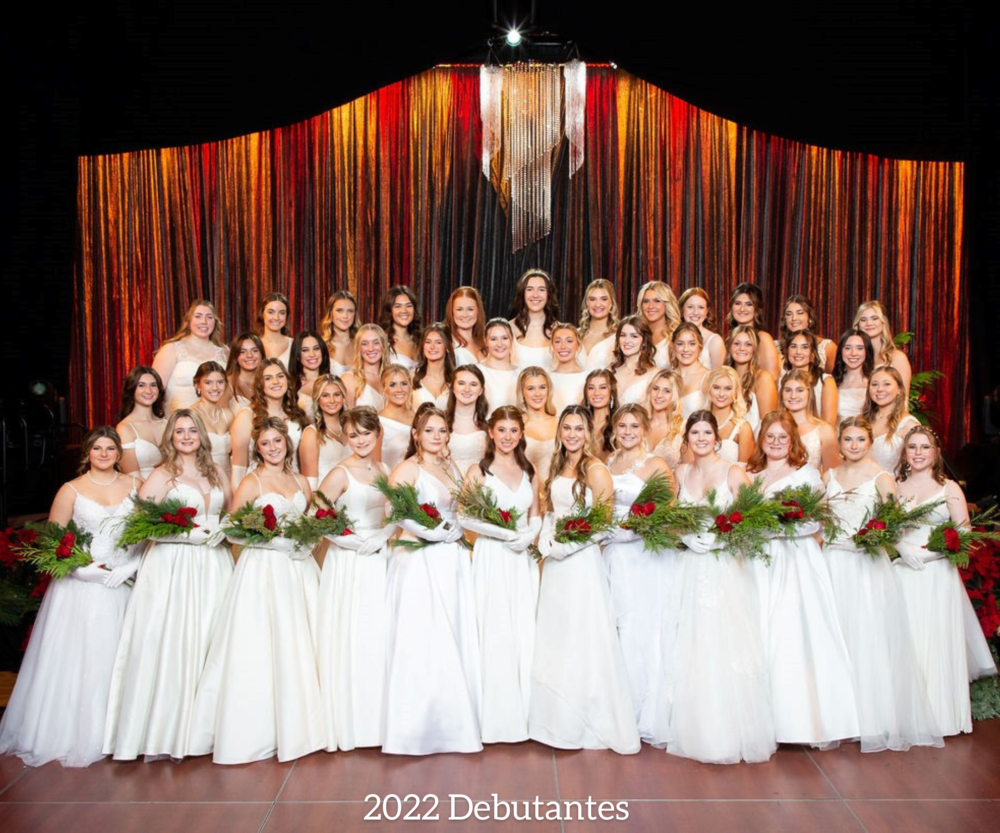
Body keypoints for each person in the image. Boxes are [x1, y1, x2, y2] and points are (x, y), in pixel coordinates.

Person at [0, 428, 140, 767]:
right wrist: (80, 570)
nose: (104, 453)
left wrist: (134, 564)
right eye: (97, 448)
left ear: (119, 453)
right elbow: (52, 542)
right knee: (87, 657)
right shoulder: (71, 490)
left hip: (125, 580)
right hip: (84, 585)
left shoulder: (135, 485)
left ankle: (127, 732)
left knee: (127, 655)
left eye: (110, 448)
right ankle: (86, 732)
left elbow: (145, 533)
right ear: (87, 452)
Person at [189, 418, 324, 764]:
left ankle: (304, 723)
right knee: (262, 643)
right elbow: (232, 529)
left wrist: (306, 542)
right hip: (264, 570)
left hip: (299, 568)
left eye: (277, 441)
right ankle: (261, 727)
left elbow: (308, 521)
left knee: (302, 640)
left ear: (287, 444)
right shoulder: (252, 481)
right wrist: (273, 542)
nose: (273, 448)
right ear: (257, 449)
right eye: (265, 443)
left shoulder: (299, 481)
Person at [103, 410, 233, 761]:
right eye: (179, 431)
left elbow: (230, 516)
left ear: (202, 435)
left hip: (215, 565)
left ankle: (206, 729)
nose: (186, 436)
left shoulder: (217, 472)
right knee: (176, 641)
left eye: (192, 430)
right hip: (173, 567)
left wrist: (223, 529)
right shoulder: (162, 475)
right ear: (171, 438)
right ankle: (169, 729)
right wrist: (186, 535)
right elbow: (138, 525)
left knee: (213, 639)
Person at [822, 417, 943, 752]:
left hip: (865, 563)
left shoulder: (881, 477)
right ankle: (839, 716)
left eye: (860, 439)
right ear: (840, 443)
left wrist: (871, 538)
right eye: (848, 439)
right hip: (833, 560)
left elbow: (893, 524)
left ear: (870, 442)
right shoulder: (829, 475)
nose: (854, 445)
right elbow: (822, 518)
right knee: (835, 636)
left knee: (866, 635)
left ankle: (870, 717)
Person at [662, 411, 776, 763]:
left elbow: (752, 521)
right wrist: (686, 537)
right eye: (694, 432)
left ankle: (728, 731)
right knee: (691, 642)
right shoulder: (680, 473)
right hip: (689, 566)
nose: (700, 438)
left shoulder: (733, 472)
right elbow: (670, 519)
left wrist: (722, 541)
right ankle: (694, 726)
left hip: (724, 567)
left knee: (723, 642)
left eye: (706, 432)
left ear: (717, 438)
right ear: (686, 438)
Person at [529, 405, 640, 754]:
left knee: (583, 632)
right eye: (567, 428)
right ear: (560, 432)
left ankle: (586, 718)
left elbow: (603, 522)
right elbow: (552, 510)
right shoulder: (557, 465)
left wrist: (569, 547)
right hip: (557, 565)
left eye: (579, 428)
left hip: (581, 563)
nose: (572, 434)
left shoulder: (596, 469)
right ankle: (553, 717)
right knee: (558, 631)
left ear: (588, 432)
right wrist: (547, 536)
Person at [745, 412, 859, 746]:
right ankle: (760, 720)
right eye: (770, 437)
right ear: (761, 441)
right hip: (759, 559)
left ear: (792, 441)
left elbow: (817, 521)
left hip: (796, 561)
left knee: (791, 632)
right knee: (758, 630)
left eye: (783, 437)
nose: (776, 442)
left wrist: (780, 528)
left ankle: (798, 721)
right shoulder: (750, 475)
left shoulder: (806, 475)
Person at [382, 406, 482, 755]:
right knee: (424, 636)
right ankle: (419, 726)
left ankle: (454, 719)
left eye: (442, 430)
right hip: (419, 559)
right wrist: (430, 532)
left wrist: (454, 530)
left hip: (450, 557)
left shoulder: (450, 466)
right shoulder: (409, 468)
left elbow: (460, 507)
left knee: (451, 631)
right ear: (416, 434)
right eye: (429, 431)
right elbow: (392, 512)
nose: (437, 436)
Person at [894, 426, 997, 736]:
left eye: (924, 447)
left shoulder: (949, 488)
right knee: (906, 641)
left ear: (936, 452)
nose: (918, 453)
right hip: (903, 570)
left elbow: (963, 533)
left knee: (935, 639)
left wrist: (931, 554)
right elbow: (889, 526)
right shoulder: (896, 486)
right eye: (912, 447)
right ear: (905, 453)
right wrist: (900, 547)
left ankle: (939, 716)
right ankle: (907, 716)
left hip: (937, 573)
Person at [459, 406, 542, 743]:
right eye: (502, 430)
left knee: (522, 625)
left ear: (521, 434)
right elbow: (464, 516)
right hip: (492, 556)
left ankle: (526, 711)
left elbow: (536, 512)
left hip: (521, 558)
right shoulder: (478, 471)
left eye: (514, 430)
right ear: (491, 433)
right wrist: (503, 534)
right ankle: (495, 716)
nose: (508, 437)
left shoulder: (529, 469)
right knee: (494, 626)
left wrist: (529, 533)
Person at [315, 407, 396, 751]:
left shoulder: (385, 469)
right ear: (346, 438)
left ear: (377, 434)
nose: (360, 440)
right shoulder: (339, 473)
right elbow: (316, 517)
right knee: (353, 632)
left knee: (378, 633)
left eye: (366, 433)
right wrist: (352, 542)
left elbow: (394, 514)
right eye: (353, 434)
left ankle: (378, 720)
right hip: (350, 560)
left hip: (378, 556)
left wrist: (383, 536)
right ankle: (352, 720)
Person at [603, 404, 676, 741]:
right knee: (617, 625)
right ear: (614, 430)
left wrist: (635, 531)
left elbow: (668, 511)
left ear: (645, 430)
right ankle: (618, 705)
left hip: (643, 555)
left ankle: (642, 709)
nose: (628, 432)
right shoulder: (606, 463)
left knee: (640, 626)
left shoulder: (656, 465)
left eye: (634, 426)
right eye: (622, 426)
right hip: (612, 553)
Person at [229, 358, 308, 491]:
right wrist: (241, 501)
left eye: (280, 376)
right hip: (259, 488)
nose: (275, 382)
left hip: (293, 487)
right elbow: (238, 470)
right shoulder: (246, 417)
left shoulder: (297, 415)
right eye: (268, 378)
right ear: (260, 384)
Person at [152, 299, 229, 413]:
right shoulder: (171, 349)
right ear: (189, 321)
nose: (204, 321)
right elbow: (154, 389)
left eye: (209, 317)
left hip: (214, 419)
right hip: (179, 418)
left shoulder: (225, 352)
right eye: (198, 316)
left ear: (215, 322)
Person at [779, 370, 839, 473]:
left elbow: (831, 474)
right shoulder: (772, 427)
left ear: (809, 393)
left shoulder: (824, 431)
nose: (793, 396)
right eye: (788, 390)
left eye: (800, 390)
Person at [864, 364, 920, 474]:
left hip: (893, 484)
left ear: (899, 390)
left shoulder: (909, 425)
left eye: (887, 384)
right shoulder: (862, 420)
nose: (880, 389)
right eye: (874, 384)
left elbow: (919, 468)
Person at [298, 374, 350, 488]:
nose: (332, 400)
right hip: (325, 495)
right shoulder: (311, 433)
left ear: (343, 397)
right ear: (317, 399)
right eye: (325, 395)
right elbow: (310, 484)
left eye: (337, 395)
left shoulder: (352, 428)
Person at [725, 325, 778, 435]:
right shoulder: (723, 377)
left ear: (754, 349)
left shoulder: (763, 378)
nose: (742, 348)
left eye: (748, 344)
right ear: (730, 347)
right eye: (736, 343)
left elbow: (767, 423)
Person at [116, 366, 167, 478]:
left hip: (172, 485)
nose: (148, 391)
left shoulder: (167, 424)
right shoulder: (125, 428)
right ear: (132, 389)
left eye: (153, 385)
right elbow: (132, 477)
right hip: (140, 486)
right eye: (141, 385)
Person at [779, 330, 838, 426]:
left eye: (805, 347)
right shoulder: (780, 381)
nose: (798, 352)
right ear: (787, 351)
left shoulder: (825, 381)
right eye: (793, 346)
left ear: (812, 353)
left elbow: (829, 424)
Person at [854, 300, 912, 395]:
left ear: (883, 322)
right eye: (863, 320)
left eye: (874, 318)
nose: (868, 323)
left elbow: (904, 398)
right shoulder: (855, 359)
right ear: (858, 325)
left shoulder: (898, 358)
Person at [699, 367, 754, 463]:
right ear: (709, 389)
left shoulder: (742, 428)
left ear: (735, 392)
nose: (721, 394)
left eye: (728, 389)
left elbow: (745, 469)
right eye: (716, 388)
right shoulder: (697, 424)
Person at [726, 283, 780, 380]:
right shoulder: (729, 339)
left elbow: (773, 380)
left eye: (749, 304)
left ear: (757, 309)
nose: (742, 309)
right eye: (737, 303)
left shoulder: (763, 339)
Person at [190, 361, 233, 480]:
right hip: (202, 477)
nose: (215, 388)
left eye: (220, 382)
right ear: (197, 386)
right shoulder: (191, 415)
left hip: (227, 478)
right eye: (208, 383)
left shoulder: (227, 415)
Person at [511, 268, 560, 370]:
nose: (535, 295)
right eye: (529, 289)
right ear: (522, 294)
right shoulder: (509, 328)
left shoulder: (560, 330)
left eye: (541, 289)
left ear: (548, 295)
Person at [446, 365, 488, 477]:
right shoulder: (440, 422)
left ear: (481, 390)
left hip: (478, 484)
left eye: (473, 384)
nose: (467, 389)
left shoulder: (489, 427)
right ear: (452, 387)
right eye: (461, 383)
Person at [519, 367, 558, 484]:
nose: (537, 394)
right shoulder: (515, 425)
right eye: (531, 388)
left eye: (542, 387)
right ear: (522, 392)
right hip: (526, 490)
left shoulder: (561, 423)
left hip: (557, 490)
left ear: (548, 390)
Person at [779, 294, 836, 373]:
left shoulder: (827, 348)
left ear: (810, 318)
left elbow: (836, 378)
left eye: (800, 313)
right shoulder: (774, 347)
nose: (794, 318)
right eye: (789, 314)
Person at [611, 315, 658, 405]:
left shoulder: (654, 375)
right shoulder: (610, 371)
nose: (627, 341)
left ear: (644, 341)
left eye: (634, 336)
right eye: (623, 335)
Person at [377, 364, 414, 473]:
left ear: (410, 386)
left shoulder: (419, 419)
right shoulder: (378, 423)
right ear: (383, 388)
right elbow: (375, 467)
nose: (399, 390)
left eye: (404, 384)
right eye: (392, 385)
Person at [645, 369, 685, 470]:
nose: (659, 395)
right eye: (655, 389)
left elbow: (689, 470)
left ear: (675, 395)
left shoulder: (683, 428)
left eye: (667, 391)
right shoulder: (640, 424)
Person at [833, 328, 875, 424]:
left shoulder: (874, 382)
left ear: (867, 351)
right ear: (841, 351)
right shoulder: (831, 382)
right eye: (847, 348)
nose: (853, 353)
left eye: (860, 348)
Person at [343, 323, 389, 410]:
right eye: (365, 344)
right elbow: (346, 416)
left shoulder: (392, 378)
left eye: (376, 343)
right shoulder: (349, 379)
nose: (371, 348)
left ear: (383, 346)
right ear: (358, 348)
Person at [476, 318, 520, 409]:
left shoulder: (520, 373)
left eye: (504, 338)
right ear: (486, 341)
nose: (499, 344)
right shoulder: (477, 371)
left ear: (511, 340)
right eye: (493, 339)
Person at [636, 281, 682, 368]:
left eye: (657, 301)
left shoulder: (677, 335)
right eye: (646, 301)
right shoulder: (635, 333)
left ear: (666, 304)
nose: (650, 306)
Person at [288, 329, 332, 418]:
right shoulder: (290, 386)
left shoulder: (333, 382)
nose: (312, 354)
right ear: (297, 355)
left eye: (316, 348)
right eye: (305, 350)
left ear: (323, 351)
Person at [411, 323, 454, 410]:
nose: (432, 347)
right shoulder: (412, 377)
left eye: (438, 342)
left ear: (447, 347)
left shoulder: (456, 379)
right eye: (428, 342)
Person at [679, 287, 725, 369]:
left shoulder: (715, 341)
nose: (695, 312)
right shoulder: (671, 336)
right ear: (682, 309)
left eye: (701, 307)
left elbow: (718, 375)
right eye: (690, 307)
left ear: (707, 312)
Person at [548, 322, 589, 414]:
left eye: (569, 341)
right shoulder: (546, 378)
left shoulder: (587, 378)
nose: (563, 346)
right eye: (558, 342)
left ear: (578, 345)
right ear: (552, 346)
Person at [578, 279, 619, 370]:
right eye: (592, 299)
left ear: (611, 303)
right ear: (587, 303)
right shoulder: (575, 335)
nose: (597, 304)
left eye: (603, 299)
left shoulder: (619, 337)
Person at [378, 286, 421, 370]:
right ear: (389, 310)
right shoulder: (382, 341)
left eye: (408, 306)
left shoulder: (421, 340)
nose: (404, 311)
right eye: (398, 306)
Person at [671, 323, 708, 418]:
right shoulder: (667, 376)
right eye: (680, 344)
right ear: (673, 346)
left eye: (692, 344)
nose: (686, 349)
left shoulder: (708, 377)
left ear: (700, 346)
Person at [319, 290, 358, 376]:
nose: (345, 316)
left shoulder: (361, 345)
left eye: (350, 311)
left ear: (355, 314)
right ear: (330, 313)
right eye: (340, 311)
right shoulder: (321, 346)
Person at [444, 286, 486, 366]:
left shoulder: (486, 341)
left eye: (470, 309)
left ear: (478, 311)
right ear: (452, 312)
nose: (465, 315)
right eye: (459, 309)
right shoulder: (447, 342)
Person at [582, 368, 618, 462]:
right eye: (591, 388)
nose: (596, 393)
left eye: (602, 387)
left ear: (612, 391)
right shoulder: (580, 422)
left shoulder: (619, 424)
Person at [225, 332, 264, 414]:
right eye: (242, 352)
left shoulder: (269, 381)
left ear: (261, 354)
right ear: (236, 357)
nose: (249, 355)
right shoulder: (227, 384)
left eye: (254, 351)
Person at [256, 292, 294, 366]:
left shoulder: (294, 345)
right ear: (262, 314)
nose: (276, 317)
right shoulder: (253, 345)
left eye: (282, 313)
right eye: (271, 312)